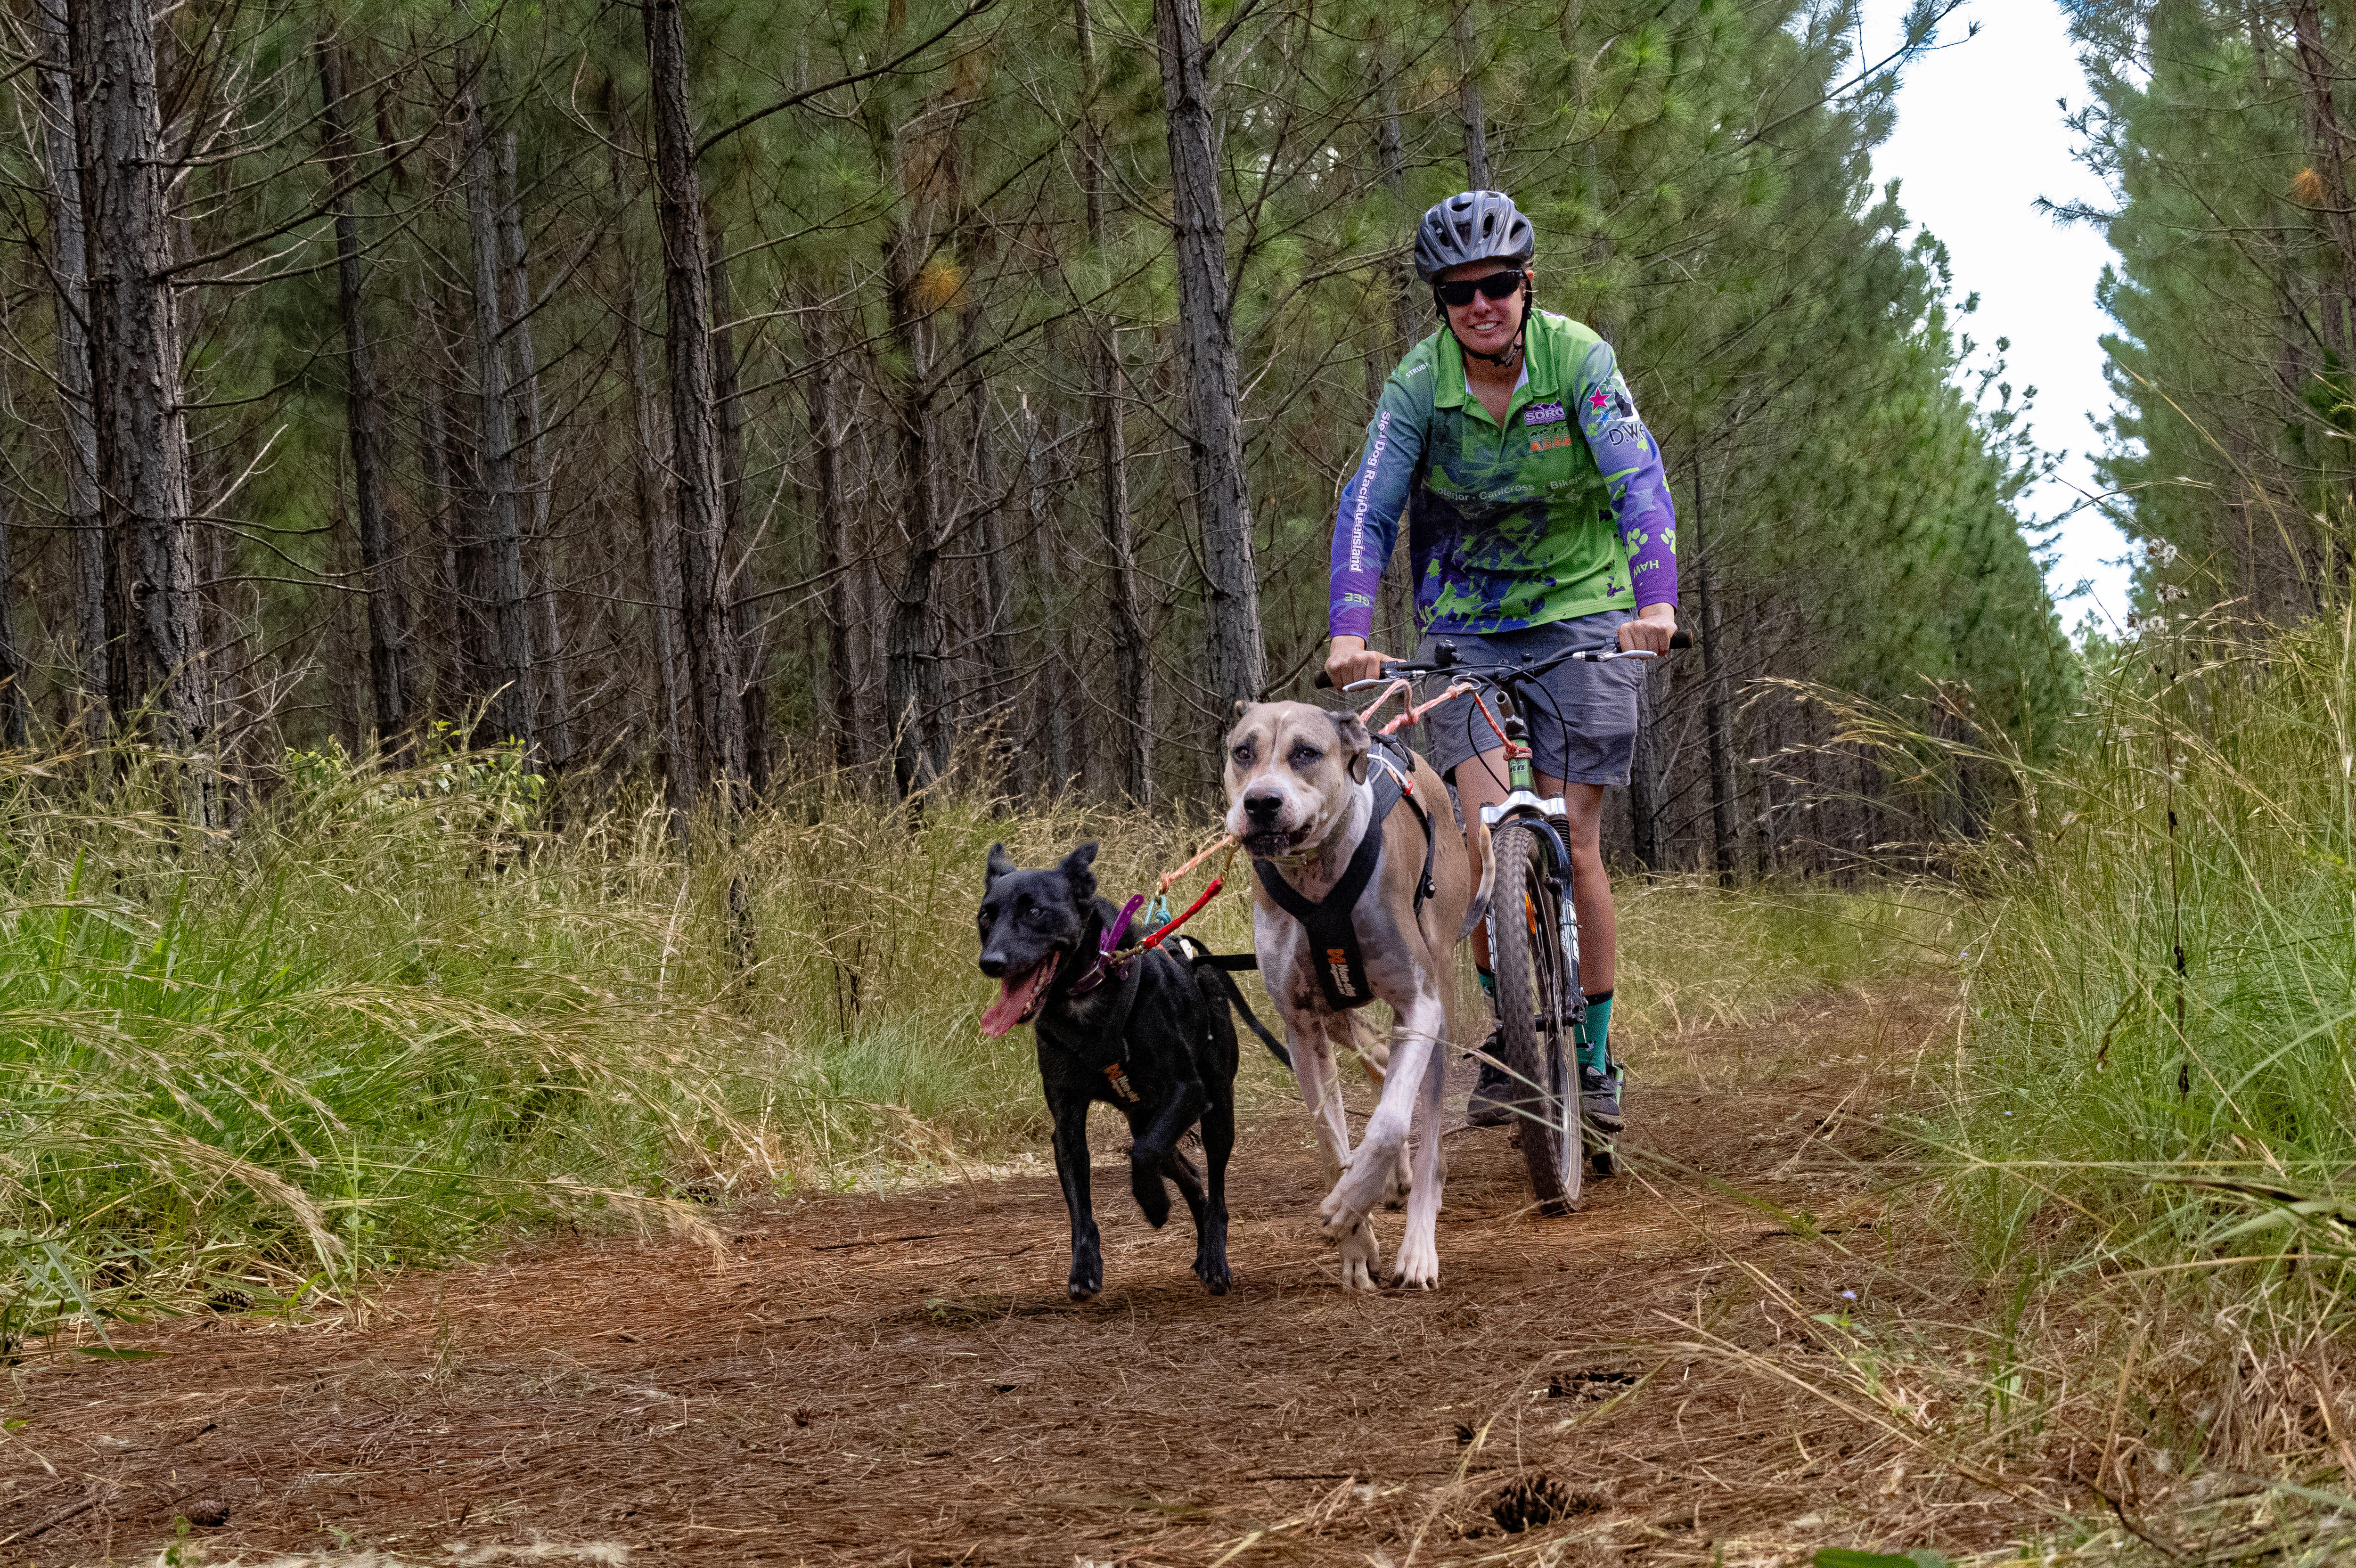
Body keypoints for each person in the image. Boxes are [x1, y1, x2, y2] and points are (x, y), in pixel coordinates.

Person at [1324, 189, 1678, 1135]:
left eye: (1496, 285)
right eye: (1458, 292)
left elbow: (1636, 477)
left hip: (1582, 609)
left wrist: (1655, 605)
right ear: (1440, 304)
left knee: (1579, 835)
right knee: (1480, 840)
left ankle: (1595, 1056)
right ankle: (1514, 1042)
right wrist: (1348, 630)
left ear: (1526, 283)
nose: (1480, 304)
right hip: (1467, 623)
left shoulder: (1578, 360)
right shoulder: (1417, 386)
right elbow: (1370, 504)